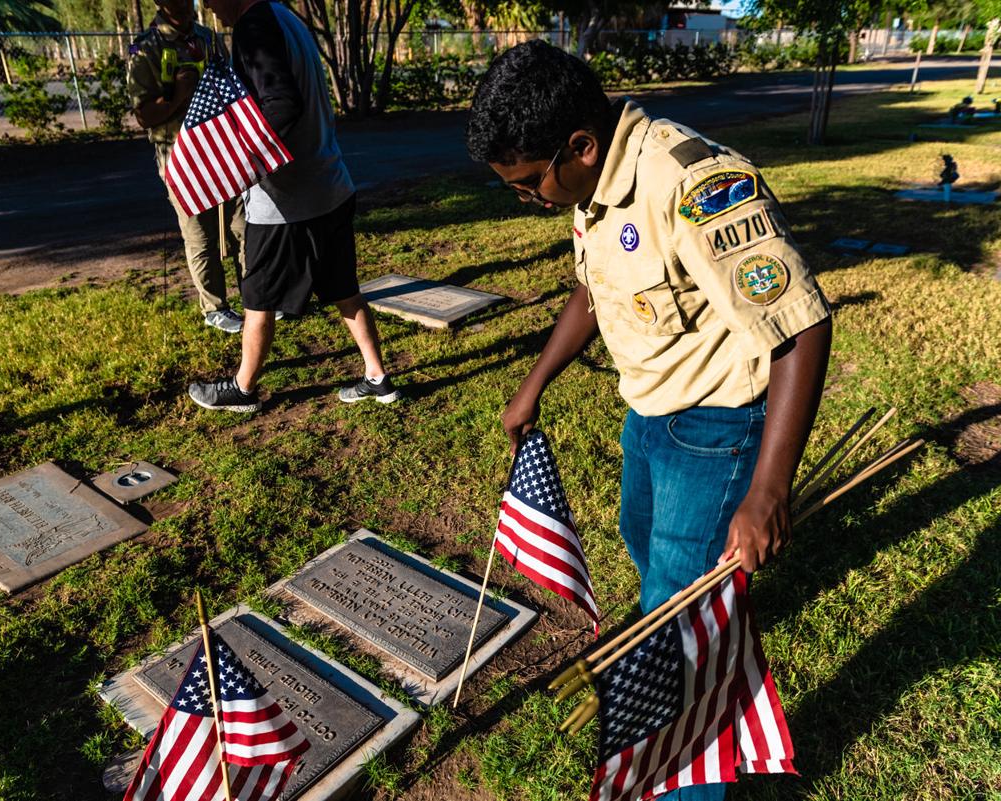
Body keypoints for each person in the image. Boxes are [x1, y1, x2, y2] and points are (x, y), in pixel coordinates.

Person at [467, 42, 830, 797]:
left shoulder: (693, 183)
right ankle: (680, 642)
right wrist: (534, 384)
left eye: (530, 182)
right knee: (643, 542)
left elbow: (800, 328)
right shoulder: (591, 187)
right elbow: (593, 288)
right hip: (650, 414)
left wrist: (769, 491)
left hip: (718, 428)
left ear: (580, 146)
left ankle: (683, 763)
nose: (528, 198)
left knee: (676, 614)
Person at [187, 0, 399, 412]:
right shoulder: (285, 16)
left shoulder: (253, 25)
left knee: (257, 298)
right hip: (330, 184)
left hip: (284, 203)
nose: (208, 5)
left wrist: (243, 164)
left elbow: (282, 102)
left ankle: (243, 389)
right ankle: (378, 377)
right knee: (344, 288)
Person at [128, 0, 247, 334]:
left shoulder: (208, 39)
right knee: (201, 235)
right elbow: (144, 116)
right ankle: (215, 308)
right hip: (181, 157)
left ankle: (256, 298)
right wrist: (179, 94)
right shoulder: (146, 48)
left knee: (243, 226)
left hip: (221, 148)